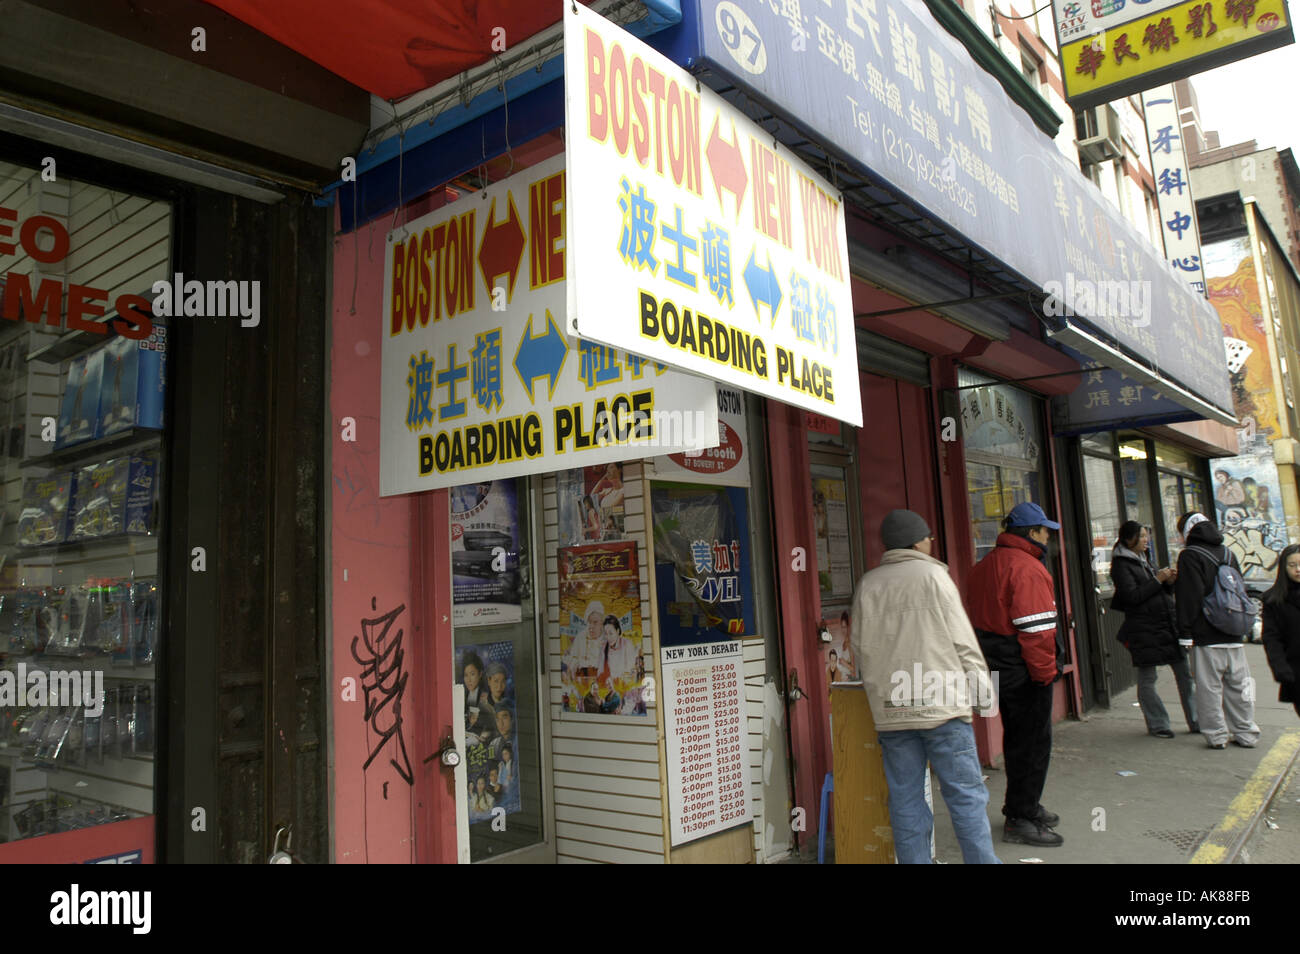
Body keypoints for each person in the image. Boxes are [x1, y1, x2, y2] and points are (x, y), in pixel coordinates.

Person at [850, 509, 1000, 864]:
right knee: (965, 796)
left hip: (893, 712)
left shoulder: (868, 584)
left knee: (904, 799)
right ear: (917, 541)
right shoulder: (935, 577)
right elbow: (964, 643)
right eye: (929, 537)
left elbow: (859, 648)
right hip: (943, 708)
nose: (932, 542)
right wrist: (983, 698)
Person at [966, 501, 1064, 848]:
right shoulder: (1027, 567)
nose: (1048, 538)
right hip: (1023, 669)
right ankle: (1021, 817)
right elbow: (1036, 632)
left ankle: (1024, 806)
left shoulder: (984, 566)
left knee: (1017, 740)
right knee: (1033, 743)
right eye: (1044, 531)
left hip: (995, 665)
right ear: (1031, 532)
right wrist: (1044, 674)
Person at [1174, 512, 1261, 749]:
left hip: (1207, 635)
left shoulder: (1190, 556)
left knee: (1209, 688)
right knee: (1242, 685)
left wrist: (1185, 633)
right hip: (1234, 632)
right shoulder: (1228, 553)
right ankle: (1246, 731)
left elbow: (1189, 598)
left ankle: (1216, 735)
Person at [1109, 521, 1198, 738]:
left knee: (1185, 674)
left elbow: (1156, 589)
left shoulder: (1144, 559)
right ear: (1129, 539)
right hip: (1144, 628)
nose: (1146, 540)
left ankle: (1196, 720)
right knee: (1148, 678)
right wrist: (1159, 579)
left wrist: (1169, 582)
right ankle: (1158, 724)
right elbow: (1132, 597)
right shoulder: (1121, 564)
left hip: (1165, 624)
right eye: (1141, 536)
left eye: (1146, 535)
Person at [1260, 544, 1300, 719]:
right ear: (1283, 568)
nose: (1298, 570)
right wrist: (1280, 668)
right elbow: (1271, 638)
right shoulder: (1273, 600)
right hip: (1295, 672)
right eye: (1292, 565)